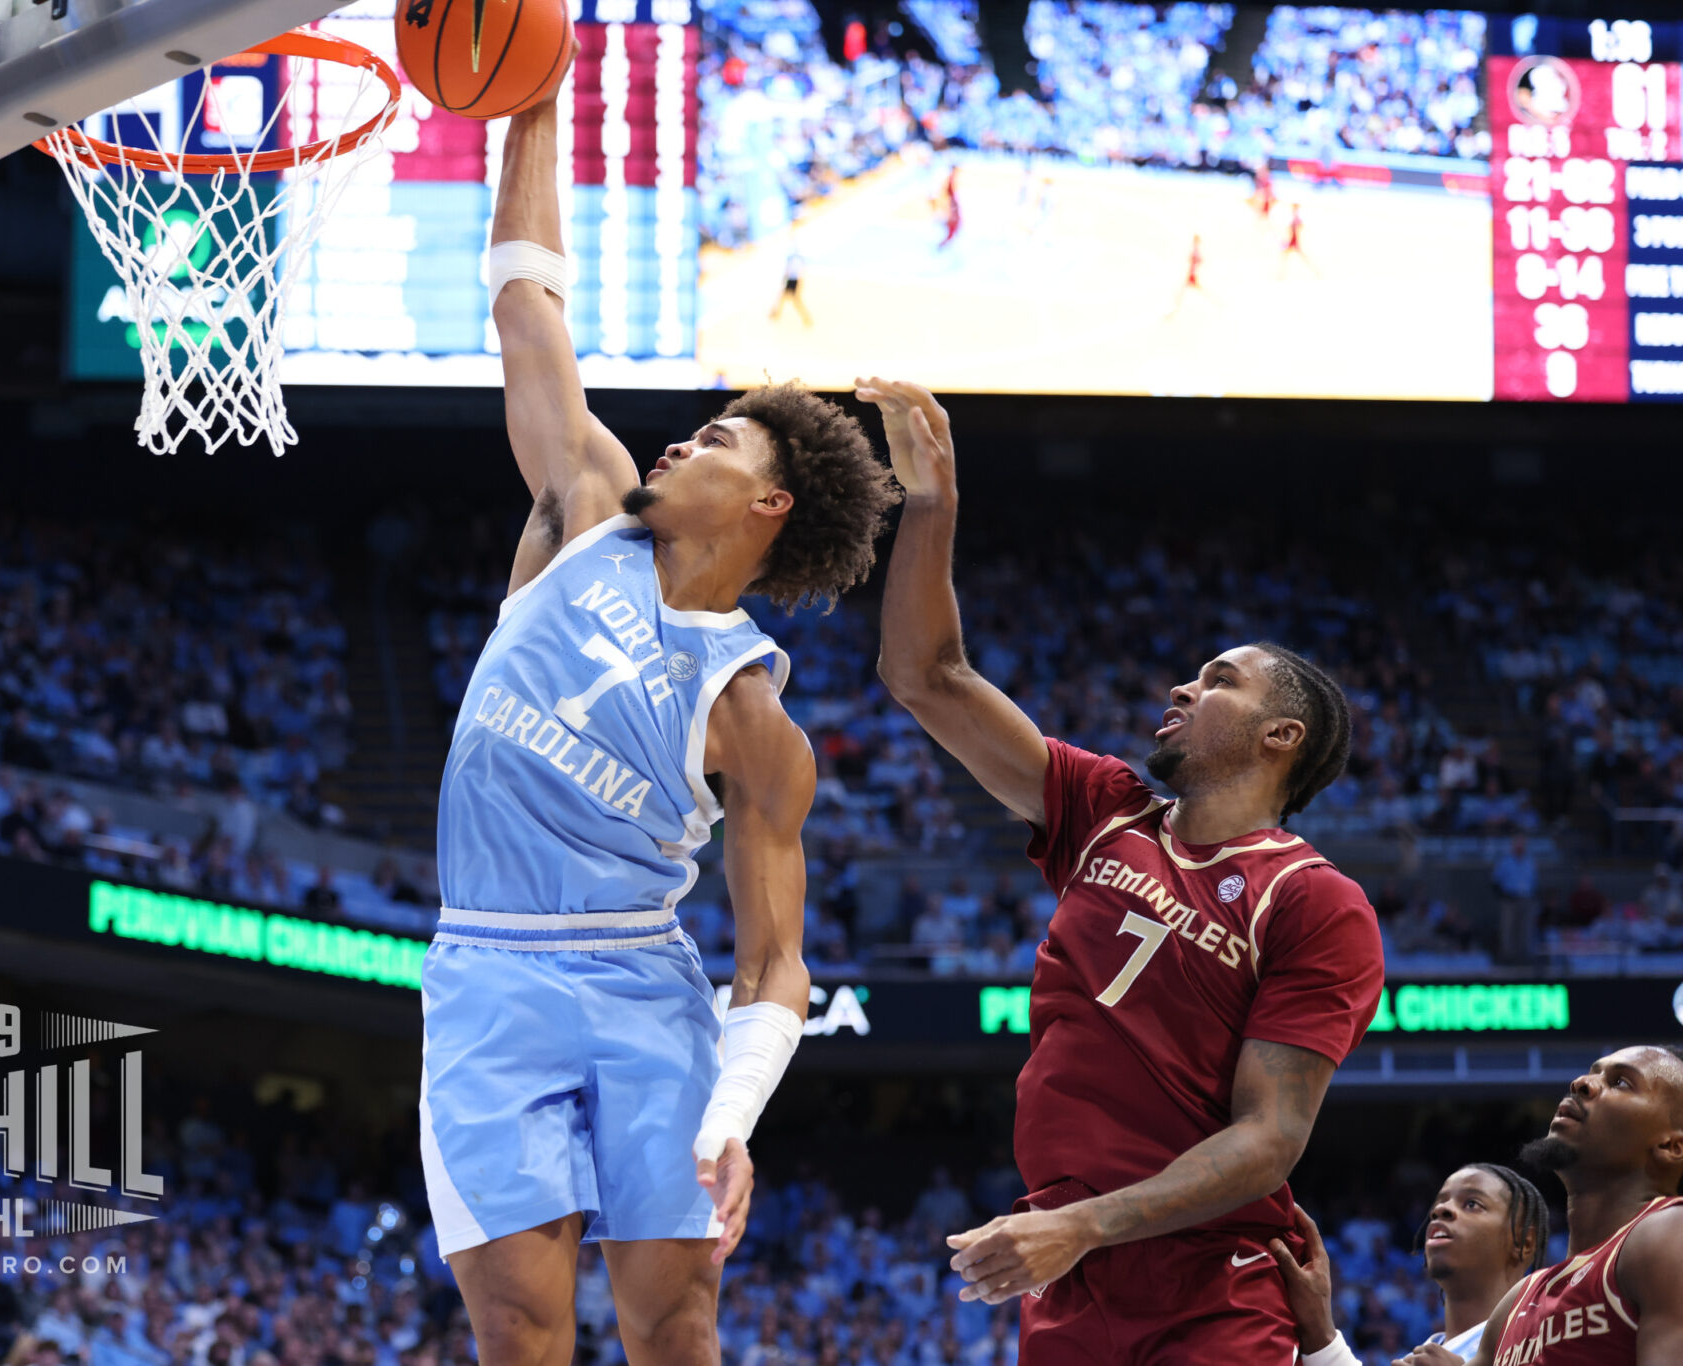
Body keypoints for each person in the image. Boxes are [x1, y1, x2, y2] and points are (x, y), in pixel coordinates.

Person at [421, 85, 901, 1366]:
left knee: (672, 1321)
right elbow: (528, 308)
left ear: (768, 505)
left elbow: (774, 962)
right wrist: (529, 106)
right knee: (519, 1326)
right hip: (488, 969)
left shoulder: (753, 715)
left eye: (723, 438)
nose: (687, 438)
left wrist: (731, 1113)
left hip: (642, 986)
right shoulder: (586, 511)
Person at [862, 378, 1384, 1362]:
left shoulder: (1314, 900)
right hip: (1066, 1269)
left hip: (1209, 1279)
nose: (1183, 684)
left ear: (1282, 735)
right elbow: (923, 676)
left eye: (1217, 678)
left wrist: (1086, 1221)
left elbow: (1268, 1138)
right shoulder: (1104, 811)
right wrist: (931, 505)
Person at [1408, 1046, 1683, 1365]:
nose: (1581, 1082)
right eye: (1591, 1072)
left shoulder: (1669, 1234)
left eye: (1621, 1082)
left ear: (1671, 1146)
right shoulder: (1517, 1302)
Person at [1271, 1165, 1549, 1363]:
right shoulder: (1421, 1357)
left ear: (1523, 1241)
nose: (1440, 1210)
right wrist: (1320, 1330)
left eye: (1472, 1203)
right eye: (1440, 1202)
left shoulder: (1550, 1345)